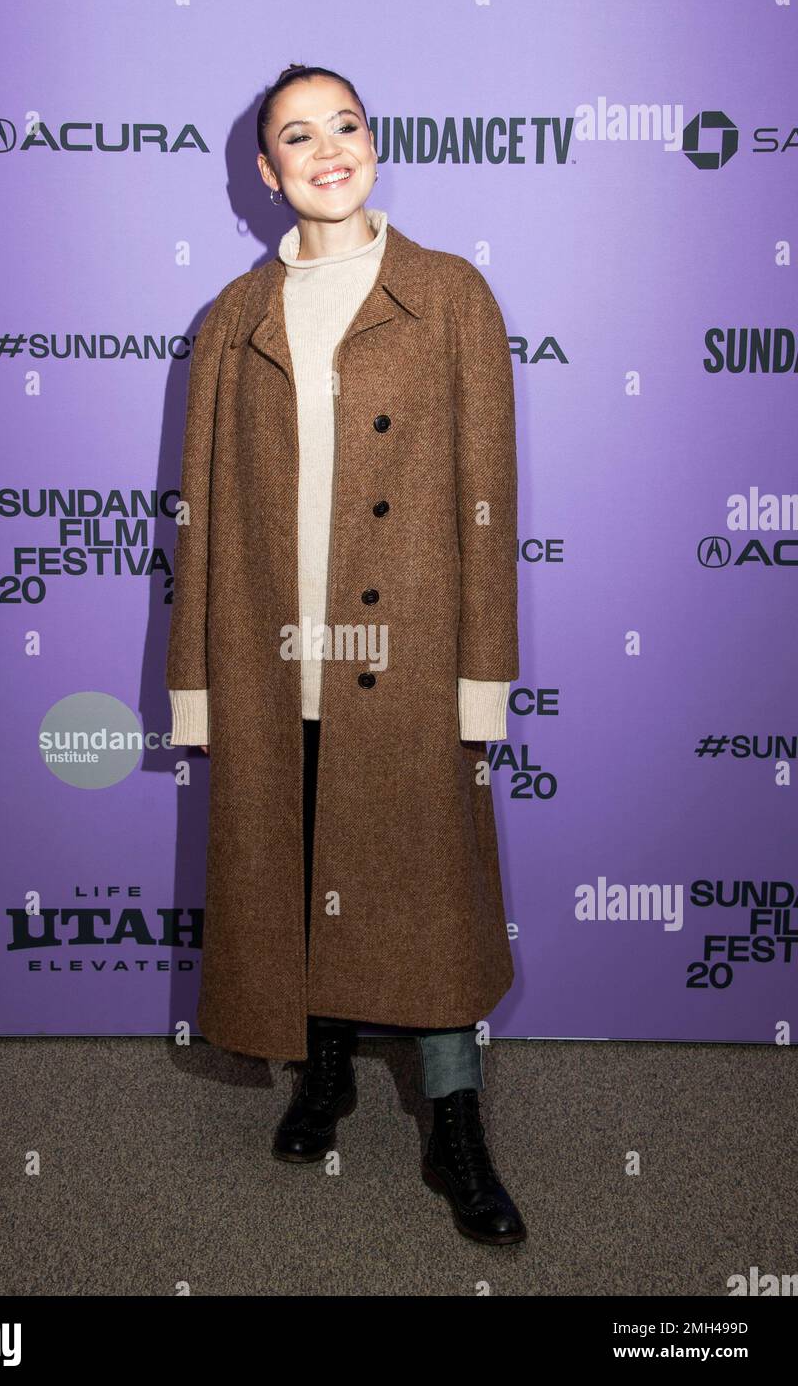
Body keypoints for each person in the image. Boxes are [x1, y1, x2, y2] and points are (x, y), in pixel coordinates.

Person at [167, 64, 525, 1245]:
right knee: (292, 857)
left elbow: (490, 497)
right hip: (278, 658)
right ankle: (318, 1071)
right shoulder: (232, 318)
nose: (327, 149)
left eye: (346, 125)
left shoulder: (451, 294)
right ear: (265, 174)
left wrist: (482, 675)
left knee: (430, 888)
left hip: (410, 654)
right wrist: (199, 684)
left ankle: (456, 1118)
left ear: (374, 143)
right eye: (295, 136)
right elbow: (206, 516)